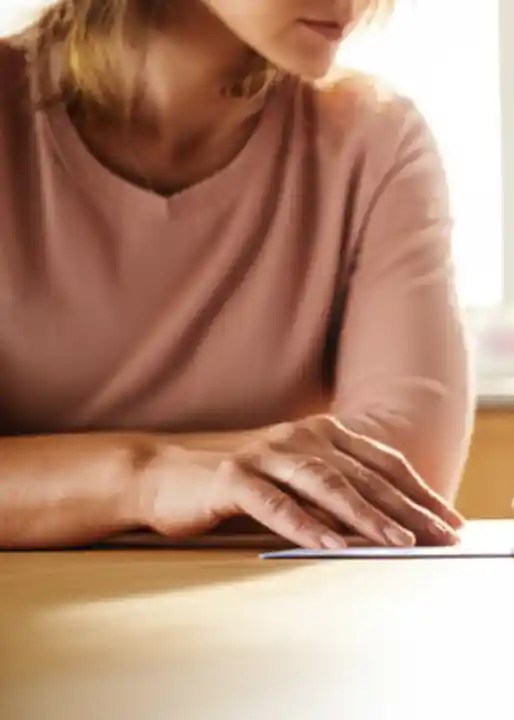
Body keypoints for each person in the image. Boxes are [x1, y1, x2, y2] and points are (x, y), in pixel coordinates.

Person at [0, 0, 473, 550]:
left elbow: (398, 485)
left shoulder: (373, 141)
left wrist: (45, 486)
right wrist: (146, 478)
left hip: (266, 621)